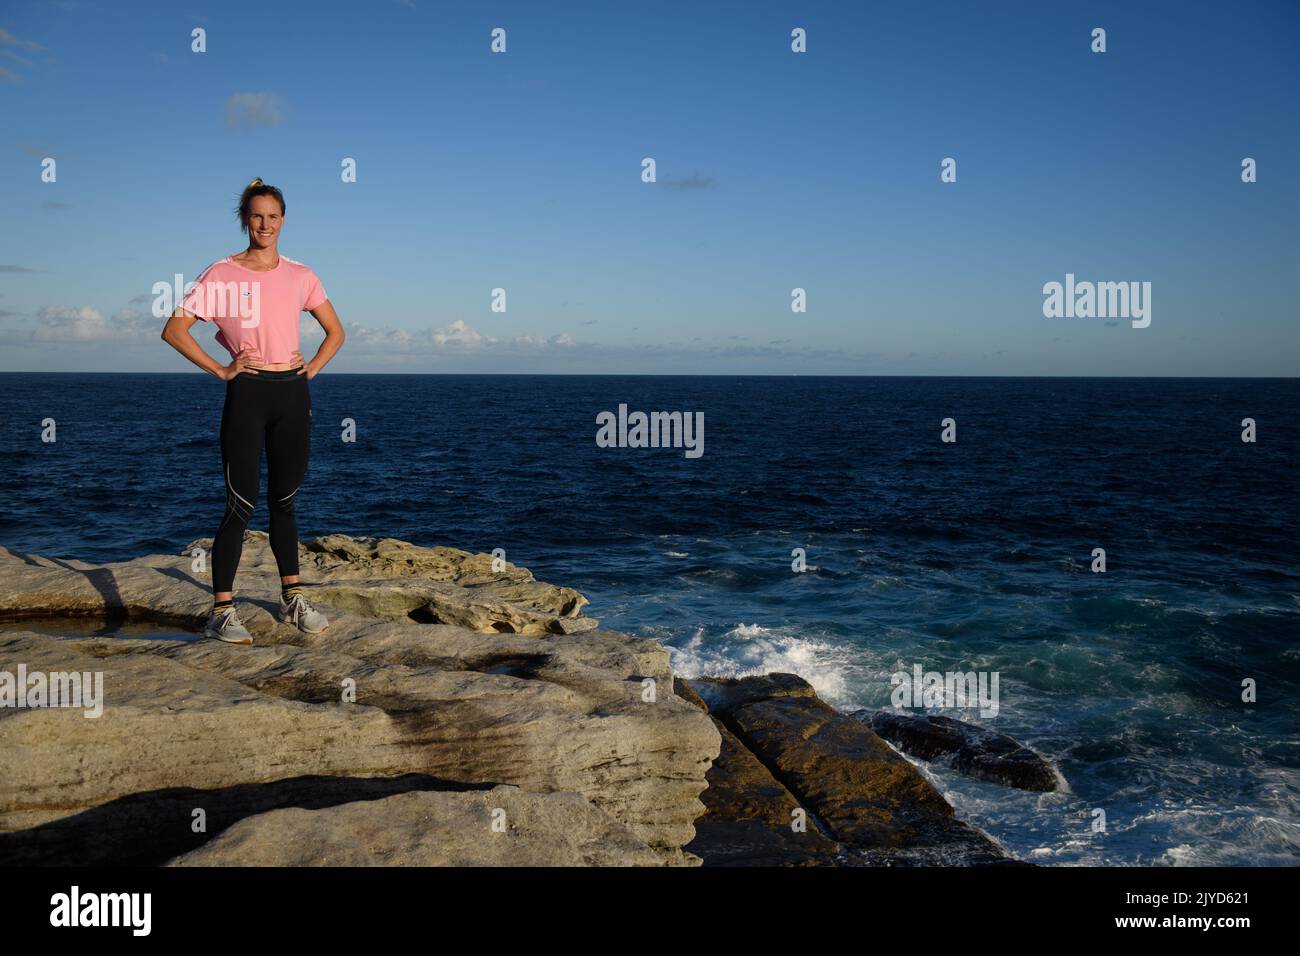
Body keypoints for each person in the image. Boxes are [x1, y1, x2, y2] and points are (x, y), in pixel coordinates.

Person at [161, 178, 345, 644]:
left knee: (285, 503)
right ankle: (222, 609)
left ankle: (293, 598)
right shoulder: (222, 274)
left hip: (292, 393)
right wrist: (222, 370)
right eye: (257, 216)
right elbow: (175, 330)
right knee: (239, 504)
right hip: (247, 392)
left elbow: (335, 333)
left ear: (283, 221)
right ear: (246, 220)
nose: (265, 224)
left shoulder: (301, 275)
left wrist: (311, 370)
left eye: (273, 217)